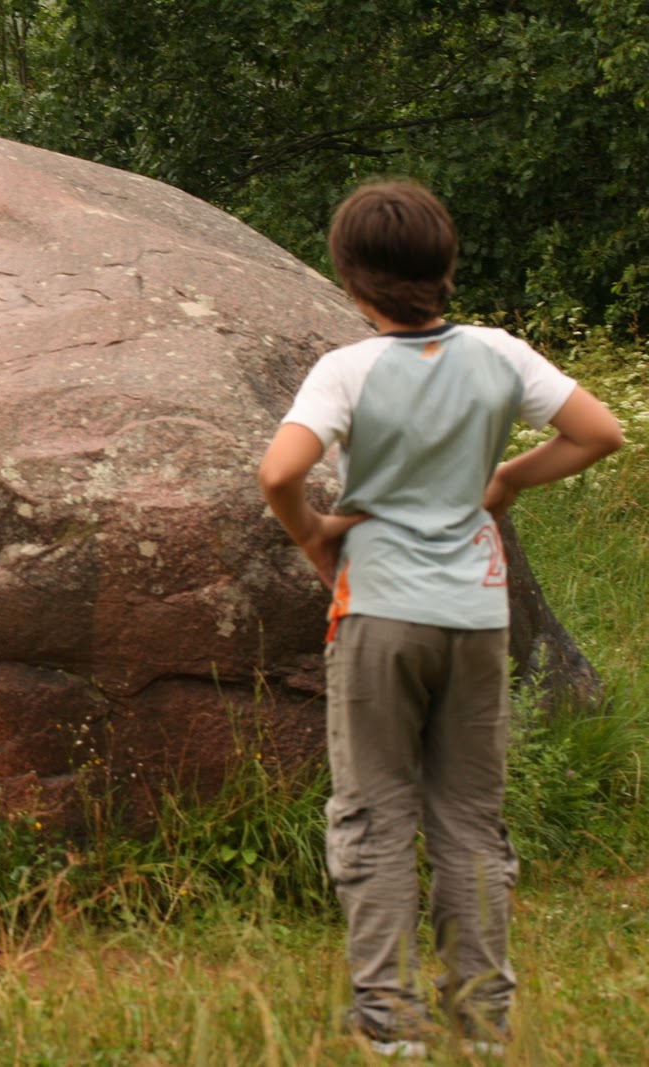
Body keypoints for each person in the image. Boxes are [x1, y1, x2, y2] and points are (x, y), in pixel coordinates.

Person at [257, 179, 622, 1056]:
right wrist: (505, 481)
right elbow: (600, 432)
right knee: (469, 817)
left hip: (380, 612)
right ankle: (484, 1020)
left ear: (351, 277)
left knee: (374, 815)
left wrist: (316, 536)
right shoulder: (500, 354)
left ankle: (390, 1021)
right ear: (447, 263)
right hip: (476, 614)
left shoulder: (347, 369)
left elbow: (279, 473)